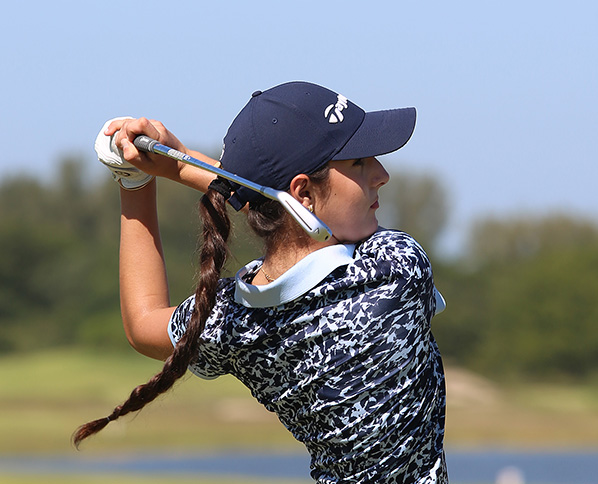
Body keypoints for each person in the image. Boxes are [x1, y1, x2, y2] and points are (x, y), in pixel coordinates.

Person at [73, 81, 448, 483]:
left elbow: (142, 321)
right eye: (358, 162)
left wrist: (134, 181)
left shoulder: (230, 321)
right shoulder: (395, 269)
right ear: (302, 192)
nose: (382, 174)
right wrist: (179, 164)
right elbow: (263, 201)